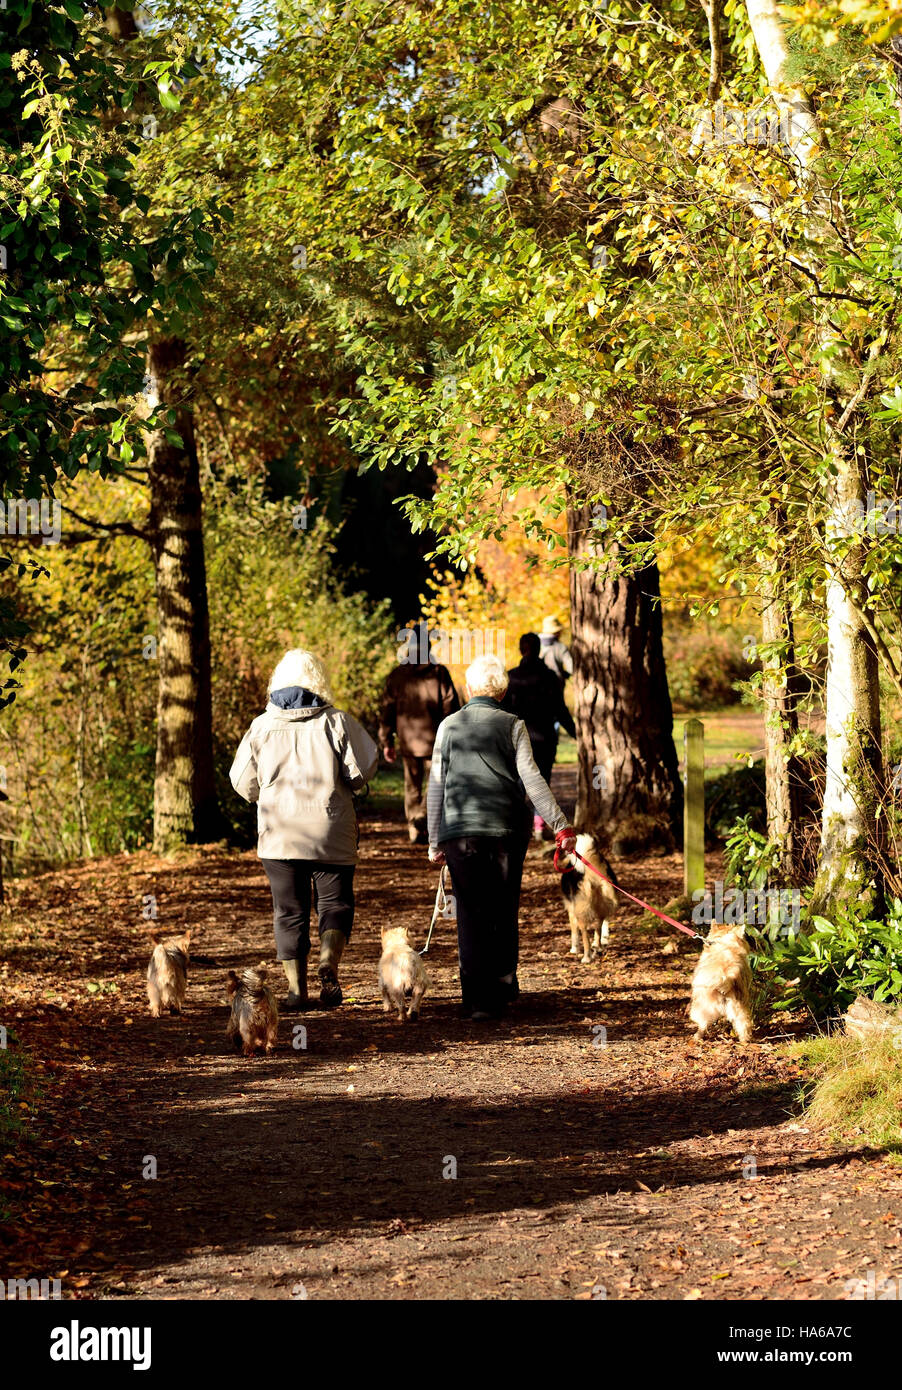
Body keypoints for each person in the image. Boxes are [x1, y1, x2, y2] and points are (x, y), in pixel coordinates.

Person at [427, 653, 576, 1021]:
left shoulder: (448, 726)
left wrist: (434, 840)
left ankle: (477, 998)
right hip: (507, 830)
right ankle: (504, 983)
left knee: (470, 911)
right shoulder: (513, 724)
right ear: (503, 690)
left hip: (460, 832)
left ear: (469, 687)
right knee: (503, 906)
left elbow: (436, 786)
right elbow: (533, 779)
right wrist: (560, 825)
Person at [229, 649, 378, 1012]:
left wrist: (264, 796)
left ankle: (297, 991)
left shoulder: (261, 726)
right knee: (335, 902)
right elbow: (362, 769)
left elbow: (241, 781)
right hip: (330, 828)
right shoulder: (337, 722)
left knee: (289, 911)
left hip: (280, 832)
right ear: (318, 680)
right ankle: (329, 961)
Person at [378, 634, 460, 843]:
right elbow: (451, 707)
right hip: (435, 740)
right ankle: (425, 817)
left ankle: (415, 826)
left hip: (408, 740)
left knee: (412, 786)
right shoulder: (439, 673)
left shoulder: (397, 675)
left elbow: (387, 710)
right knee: (437, 783)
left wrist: (386, 740)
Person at [504, 631, 577, 840]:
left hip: (518, 739)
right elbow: (560, 709)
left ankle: (515, 825)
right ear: (539, 650)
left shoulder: (511, 677)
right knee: (543, 781)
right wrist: (575, 733)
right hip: (544, 738)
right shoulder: (550, 678)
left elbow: (504, 711)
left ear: (521, 650)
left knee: (517, 782)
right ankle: (538, 826)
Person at [539, 614, 573, 687]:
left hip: (539, 686)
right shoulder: (561, 647)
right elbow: (571, 667)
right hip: (556, 686)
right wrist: (564, 675)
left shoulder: (536, 645)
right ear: (557, 632)